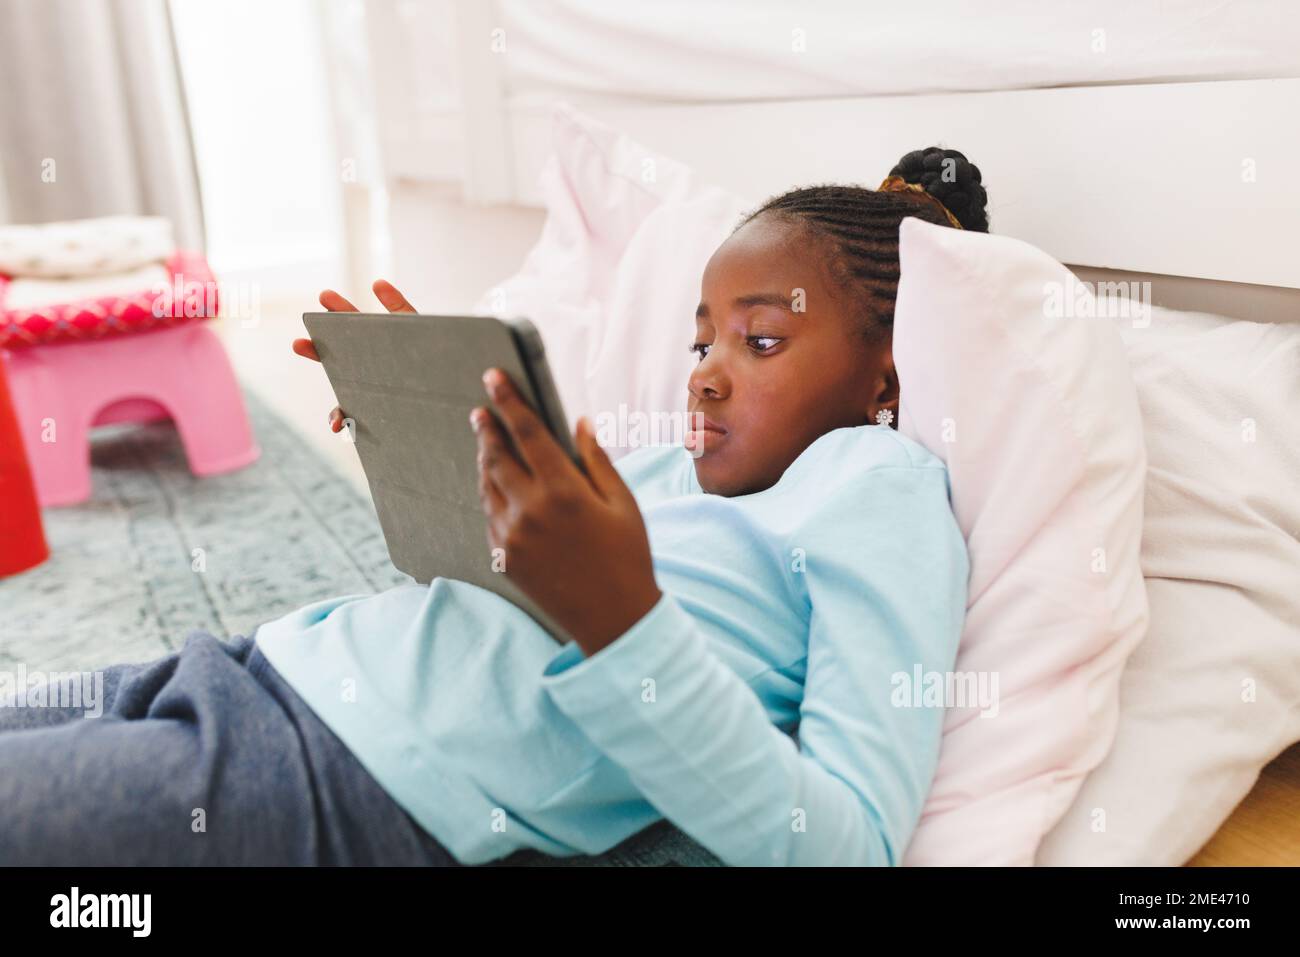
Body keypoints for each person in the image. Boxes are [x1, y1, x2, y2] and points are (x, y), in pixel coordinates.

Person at [0, 147, 984, 866]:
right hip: (272, 667)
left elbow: (846, 844)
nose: (707, 379)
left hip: (345, 788)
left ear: (883, 376)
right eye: (702, 346)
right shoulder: (662, 472)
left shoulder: (877, 493)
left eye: (758, 343)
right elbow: (488, 607)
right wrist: (429, 437)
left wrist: (623, 621)